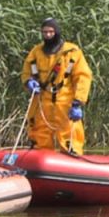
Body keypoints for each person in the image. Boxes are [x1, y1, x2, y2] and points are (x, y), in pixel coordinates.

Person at [22, 17, 93, 154]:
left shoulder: (71, 52)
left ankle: (73, 155)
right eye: (45, 32)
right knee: (39, 131)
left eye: (50, 32)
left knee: (69, 132)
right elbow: (26, 72)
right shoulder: (36, 53)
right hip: (43, 101)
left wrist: (78, 101)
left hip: (64, 100)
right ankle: (40, 157)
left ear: (57, 32)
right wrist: (28, 82)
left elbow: (83, 76)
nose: (48, 35)